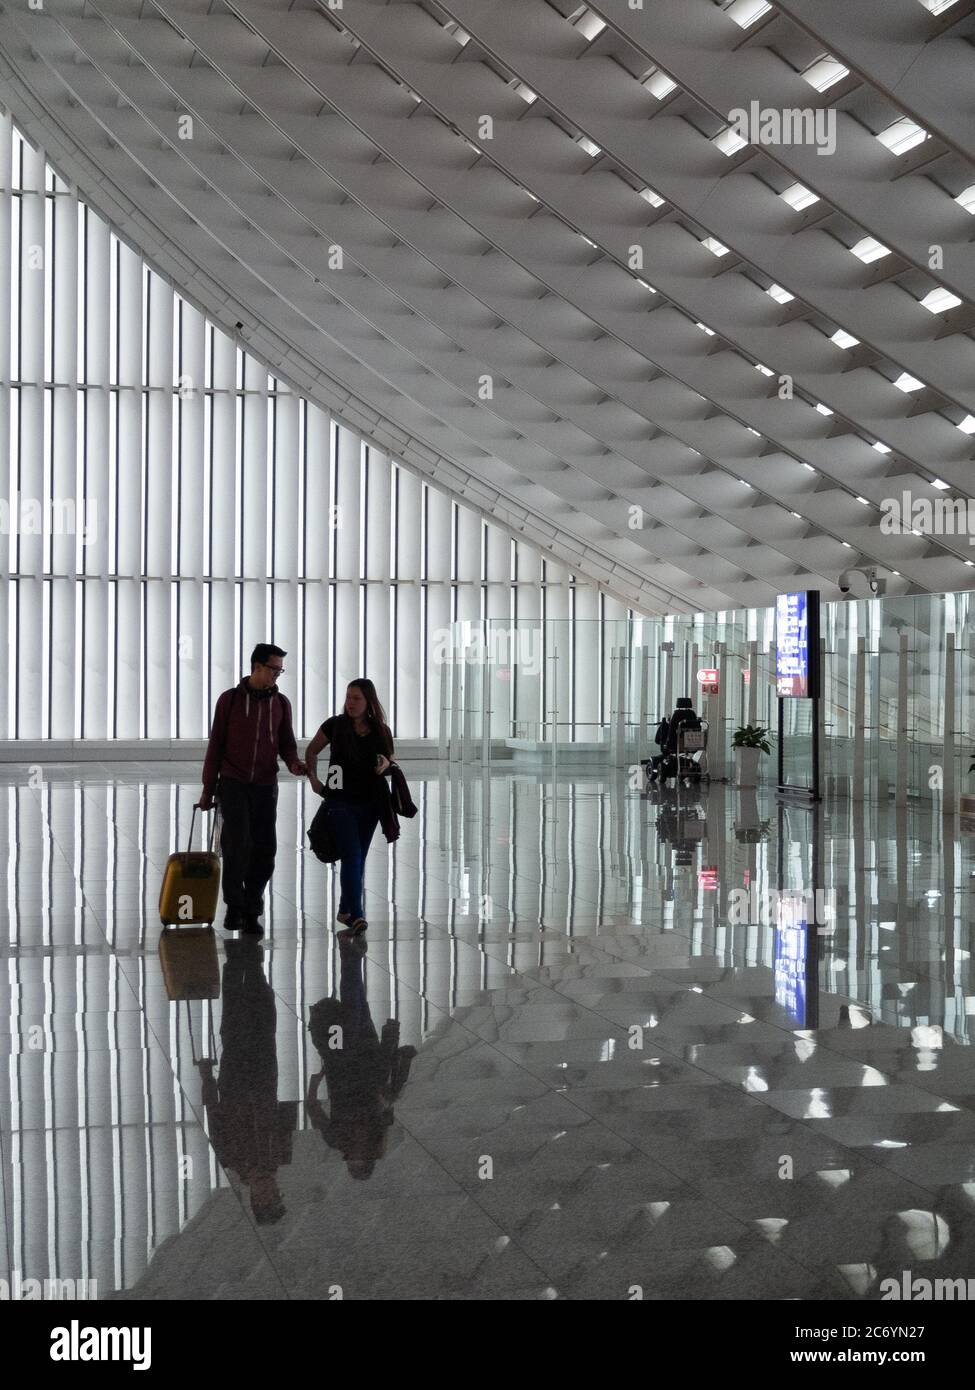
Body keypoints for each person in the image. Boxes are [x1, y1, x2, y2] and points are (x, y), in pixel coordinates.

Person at [198, 643, 306, 935]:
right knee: (236, 845)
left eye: (280, 671)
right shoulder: (229, 701)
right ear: (256, 666)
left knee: (264, 849)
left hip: (265, 785)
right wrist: (208, 789)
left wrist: (294, 762)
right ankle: (235, 905)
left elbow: (286, 742)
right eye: (274, 669)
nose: (277, 676)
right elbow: (216, 745)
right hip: (233, 783)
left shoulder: (281, 703)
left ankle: (252, 906)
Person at [198, 938, 297, 1224]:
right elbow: (284, 1112)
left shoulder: (231, 1158)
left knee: (234, 1019)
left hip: (236, 1082)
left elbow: (214, 1116)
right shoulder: (279, 1156)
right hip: (264, 1078)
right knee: (263, 1017)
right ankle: (252, 961)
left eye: (267, 1197)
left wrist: (207, 1079)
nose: (271, 1190)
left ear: (254, 1197)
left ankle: (235, 959)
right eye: (277, 1195)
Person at [304, 679, 394, 935]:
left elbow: (390, 759)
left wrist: (385, 764)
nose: (350, 703)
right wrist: (313, 779)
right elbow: (312, 750)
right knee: (352, 857)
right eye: (348, 697)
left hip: (370, 803)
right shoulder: (335, 725)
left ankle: (345, 910)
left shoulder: (380, 730)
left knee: (357, 859)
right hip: (339, 802)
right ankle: (357, 914)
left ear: (368, 702)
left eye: (357, 698)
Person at [646, 696, 702, 783]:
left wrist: (667, 742)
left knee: (666, 745)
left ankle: (664, 769)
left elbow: (671, 732)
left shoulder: (676, 715)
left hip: (675, 743)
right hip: (692, 743)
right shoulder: (692, 715)